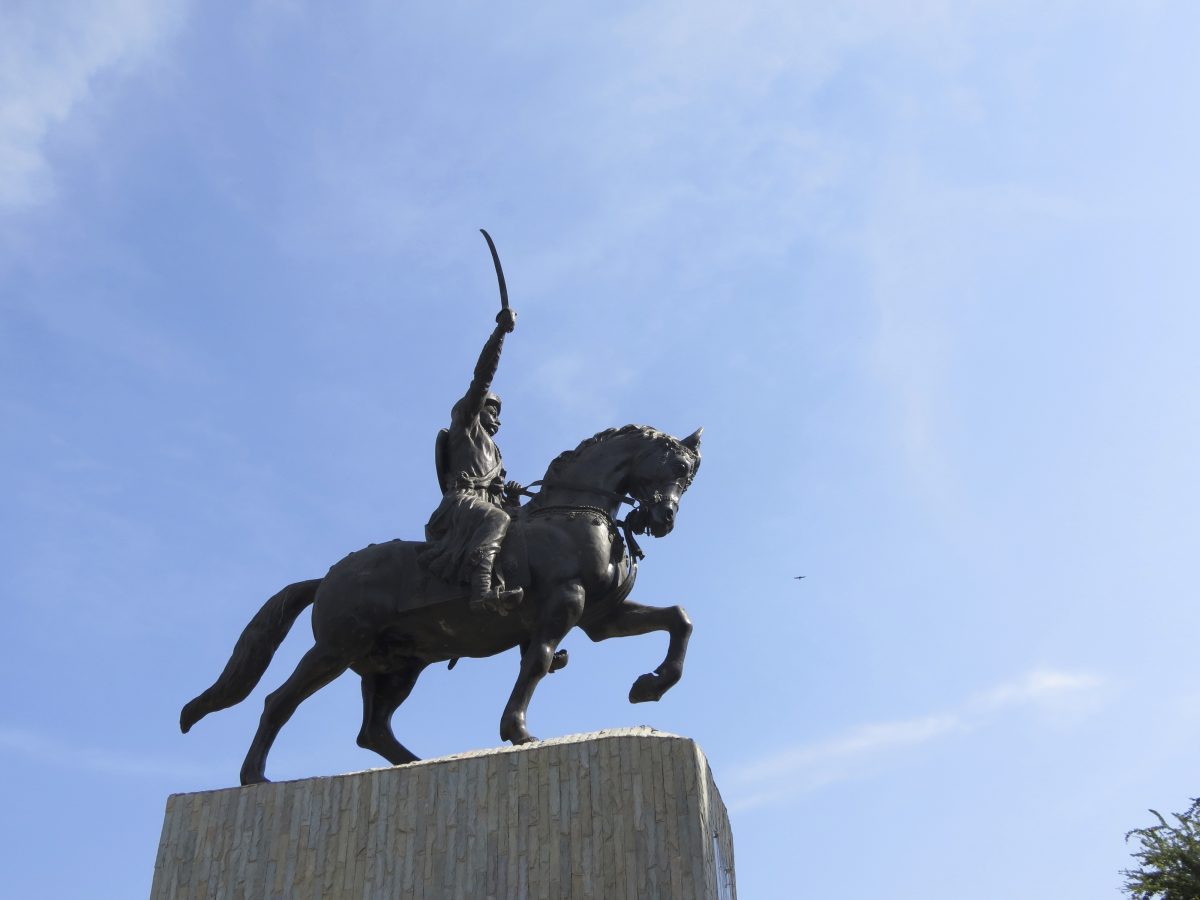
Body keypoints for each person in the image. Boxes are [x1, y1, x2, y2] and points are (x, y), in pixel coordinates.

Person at [420, 307, 525, 613]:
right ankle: (481, 594)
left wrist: (513, 499)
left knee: (520, 530)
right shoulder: (465, 426)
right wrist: (500, 334)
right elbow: (482, 378)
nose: (498, 420)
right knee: (498, 520)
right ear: (477, 408)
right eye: (492, 410)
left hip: (486, 509)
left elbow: (501, 502)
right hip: (459, 505)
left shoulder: (497, 453)